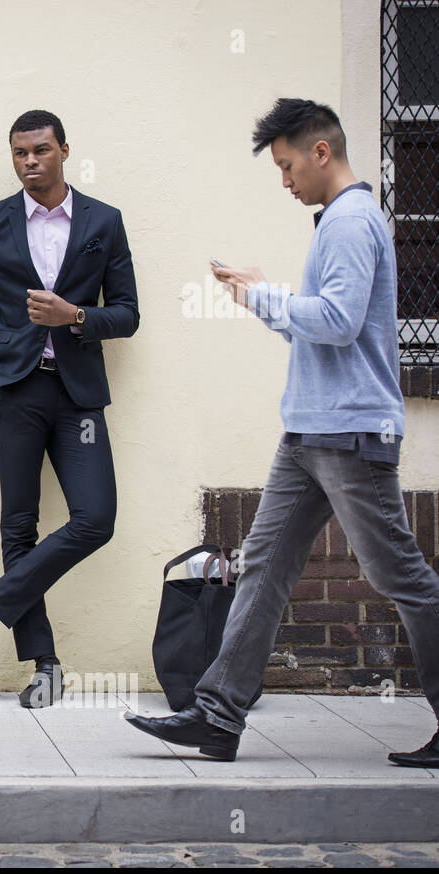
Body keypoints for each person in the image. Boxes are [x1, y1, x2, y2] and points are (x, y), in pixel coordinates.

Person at [126, 98, 439, 766]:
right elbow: (323, 325)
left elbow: (339, 320)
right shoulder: (337, 220)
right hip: (308, 432)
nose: (285, 179)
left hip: (350, 434)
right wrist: (259, 296)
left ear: (320, 151)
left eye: (288, 164)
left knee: (402, 576)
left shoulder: (353, 220)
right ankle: (217, 715)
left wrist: (263, 292)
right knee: (263, 567)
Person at [0, 110, 139, 707]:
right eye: (19, 153)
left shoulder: (104, 221)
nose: (29, 162)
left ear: (64, 151)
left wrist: (74, 315)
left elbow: (126, 313)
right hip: (14, 393)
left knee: (95, 518)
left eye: (41, 150)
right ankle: (44, 666)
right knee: (18, 528)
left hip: (79, 398)